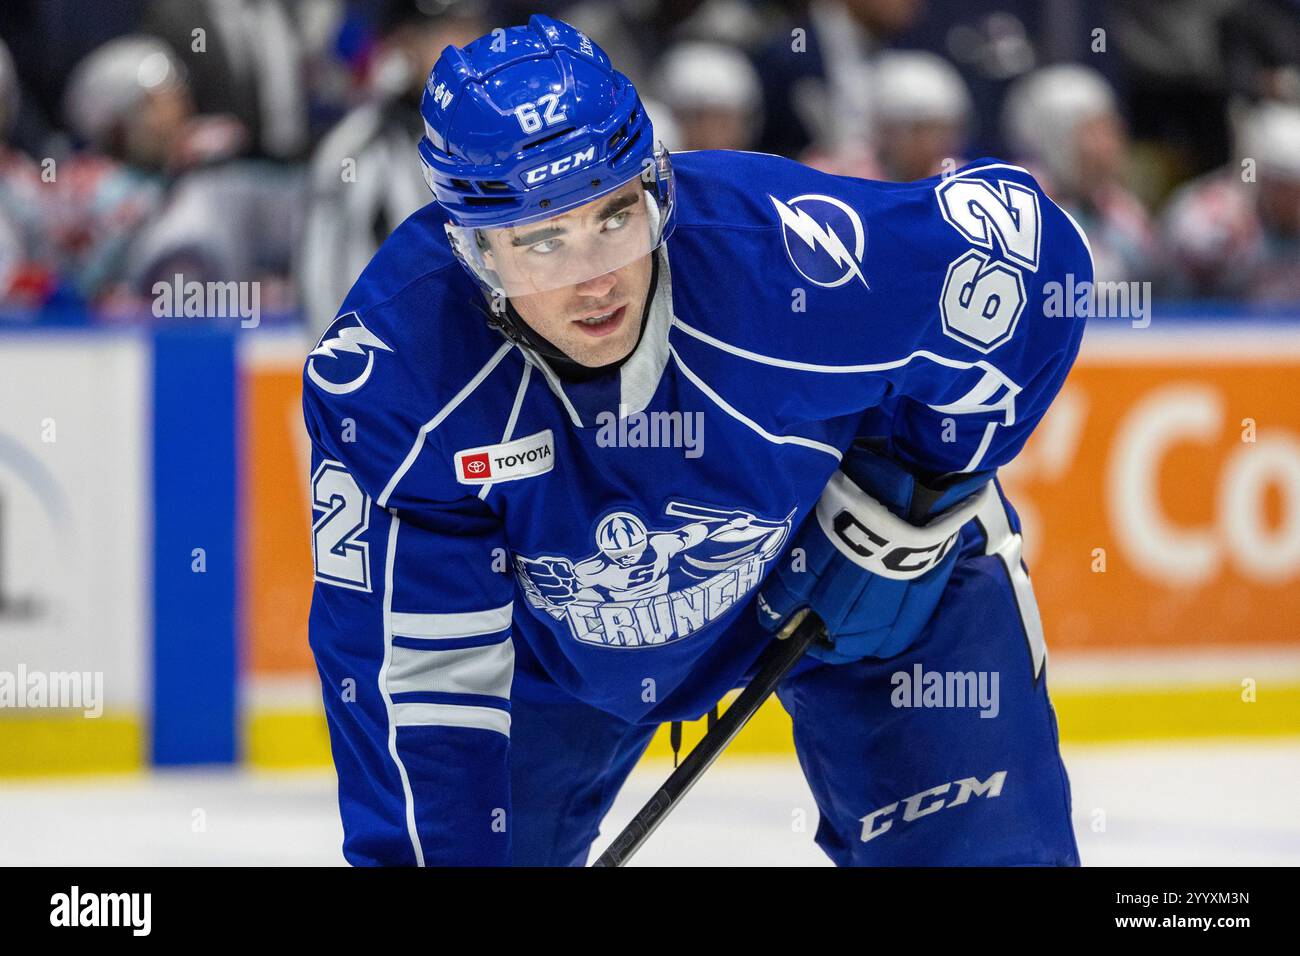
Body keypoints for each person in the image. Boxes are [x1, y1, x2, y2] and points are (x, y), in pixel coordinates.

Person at [303, 15, 1087, 867]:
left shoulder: (785, 262)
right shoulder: (396, 380)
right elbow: (417, 686)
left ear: (655, 187)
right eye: (543, 241)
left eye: (614, 217)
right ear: (475, 250)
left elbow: (1032, 254)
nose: (595, 280)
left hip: (851, 570)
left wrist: (912, 488)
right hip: (562, 656)